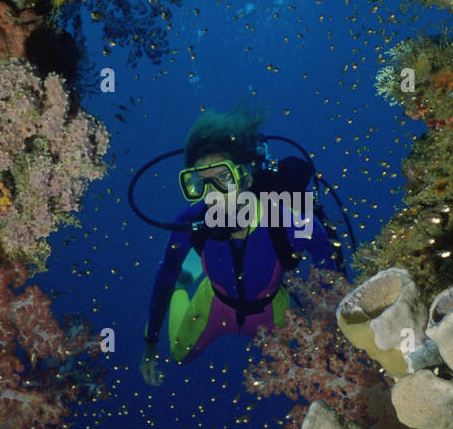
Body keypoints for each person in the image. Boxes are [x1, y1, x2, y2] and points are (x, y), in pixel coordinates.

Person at [139, 106, 338, 385]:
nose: (212, 196)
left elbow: (326, 258)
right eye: (201, 182)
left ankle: (196, 266)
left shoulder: (290, 219)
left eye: (224, 178)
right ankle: (189, 281)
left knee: (313, 361)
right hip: (214, 302)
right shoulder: (190, 219)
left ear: (245, 175)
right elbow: (166, 275)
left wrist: (330, 325)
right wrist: (150, 342)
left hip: (271, 307)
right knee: (179, 355)